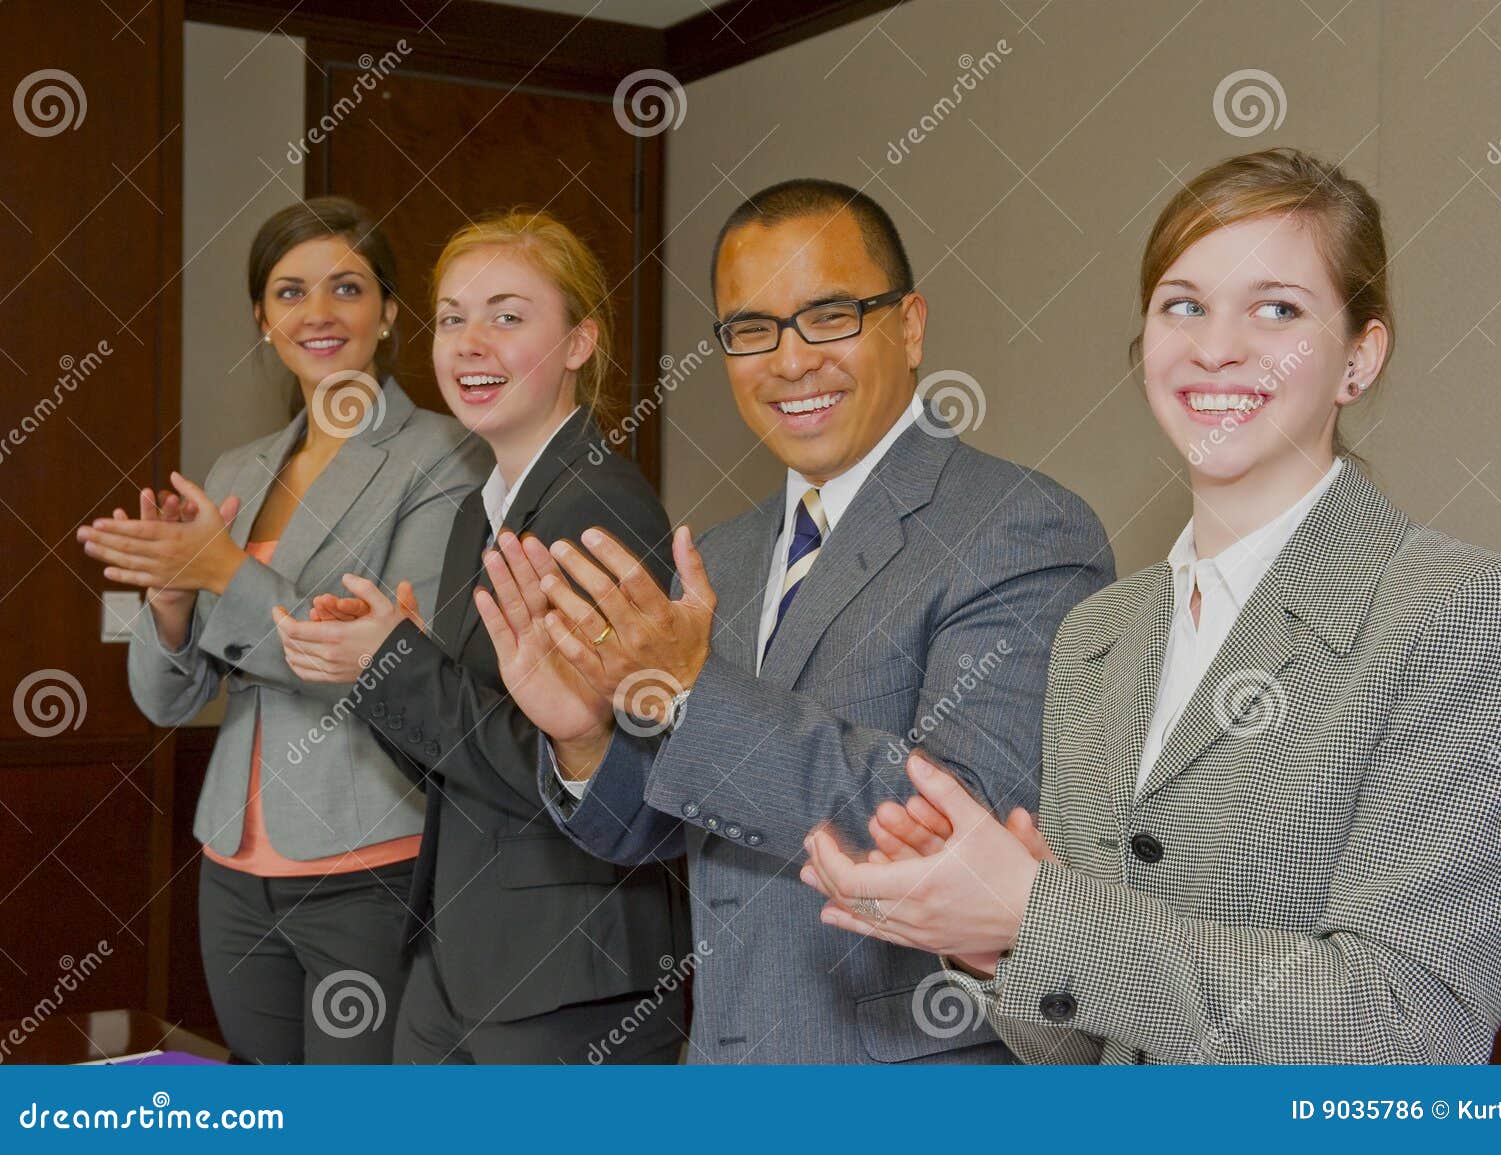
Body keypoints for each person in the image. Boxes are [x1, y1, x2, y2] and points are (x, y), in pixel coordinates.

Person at [798, 148, 1501, 1064]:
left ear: (1360, 358)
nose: (1216, 346)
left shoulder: (1472, 614)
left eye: (1278, 309)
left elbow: (1405, 1029)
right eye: (1184, 305)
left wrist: (1039, 911)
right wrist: (993, 936)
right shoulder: (1100, 634)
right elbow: (1078, 1053)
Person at [473, 179, 1113, 1063]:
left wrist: (694, 693)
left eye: (829, 315)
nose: (789, 359)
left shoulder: (1019, 526)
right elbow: (673, 824)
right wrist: (585, 739)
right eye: (752, 329)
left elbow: (960, 833)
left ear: (911, 324)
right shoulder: (725, 555)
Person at [272, 209, 689, 1064]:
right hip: (460, 954)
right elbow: (461, 764)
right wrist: (387, 663)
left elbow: (574, 773)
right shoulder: (480, 509)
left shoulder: (597, 507)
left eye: (507, 316)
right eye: (453, 318)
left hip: (568, 969)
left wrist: (397, 663)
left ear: (580, 343)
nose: (469, 343)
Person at [81, 196, 488, 1062]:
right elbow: (167, 699)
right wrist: (171, 601)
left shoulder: (447, 457)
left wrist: (223, 569)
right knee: (263, 1105)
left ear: (388, 312)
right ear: (263, 320)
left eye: (347, 288)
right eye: (289, 291)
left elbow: (390, 665)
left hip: (370, 857)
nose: (319, 313)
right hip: (233, 861)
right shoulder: (239, 467)